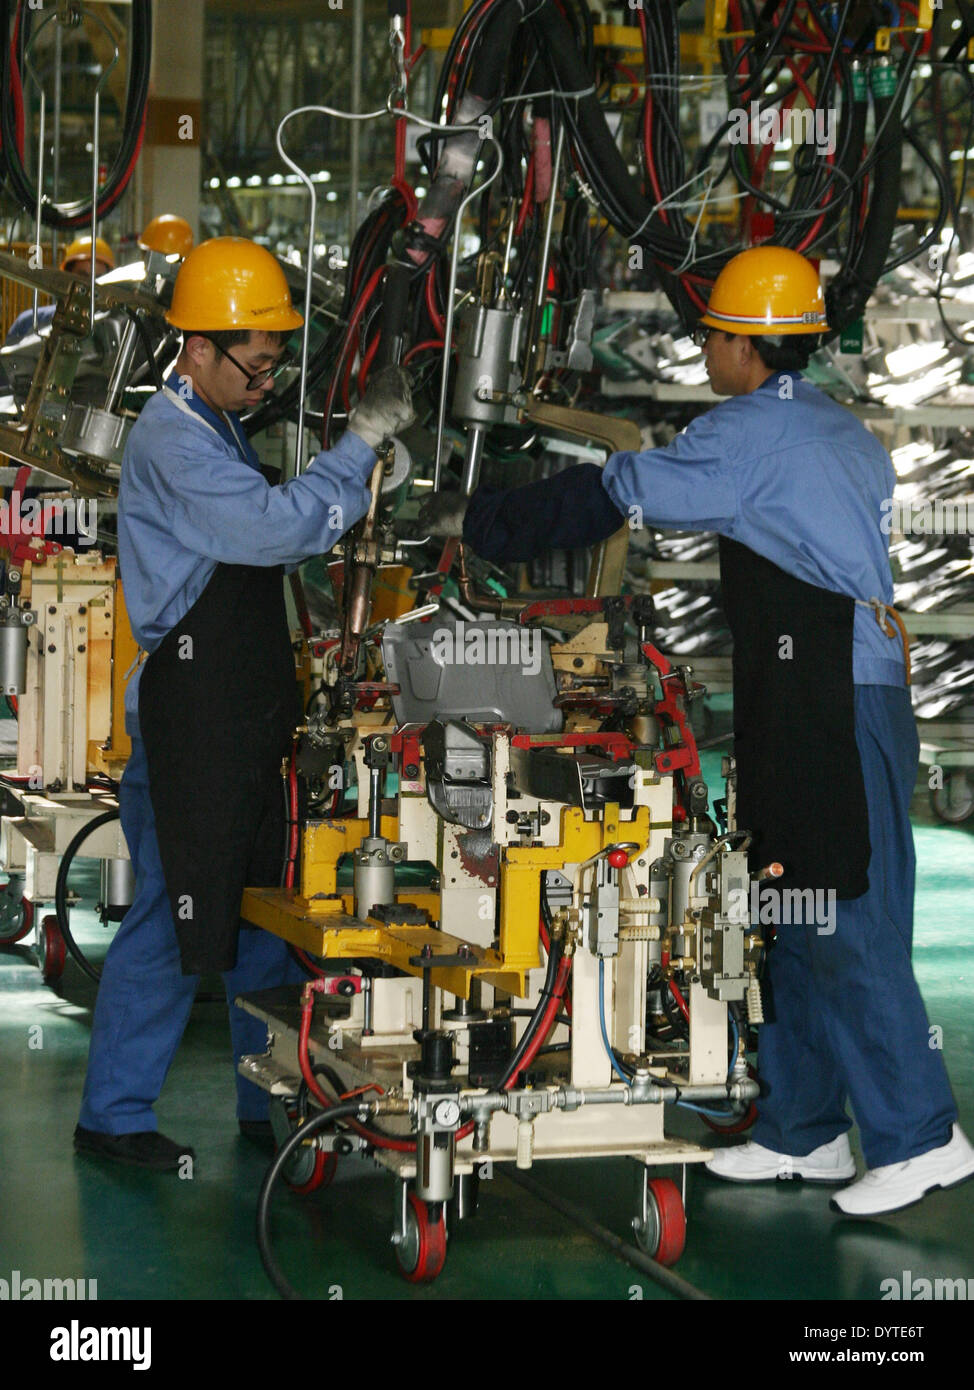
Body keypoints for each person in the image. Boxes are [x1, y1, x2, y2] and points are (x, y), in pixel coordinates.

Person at [420, 246, 974, 1217]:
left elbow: (613, 493)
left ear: (743, 345)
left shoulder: (750, 436)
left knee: (841, 914)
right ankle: (800, 1128)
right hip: (814, 685)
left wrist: (478, 523)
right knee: (792, 909)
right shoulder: (829, 427)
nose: (705, 352)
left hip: (827, 696)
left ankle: (918, 1135)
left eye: (712, 337)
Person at [75, 236, 414, 1171]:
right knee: (173, 915)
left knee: (264, 914)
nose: (267, 382)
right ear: (201, 346)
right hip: (194, 720)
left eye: (275, 364)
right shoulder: (173, 437)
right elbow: (274, 532)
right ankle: (113, 1118)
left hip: (244, 713)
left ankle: (270, 1100)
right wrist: (358, 447)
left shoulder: (218, 423)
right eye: (257, 364)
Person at [3, 235, 115, 347]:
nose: (89, 287)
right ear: (65, 278)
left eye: (98, 279)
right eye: (82, 276)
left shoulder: (115, 332)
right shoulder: (30, 322)